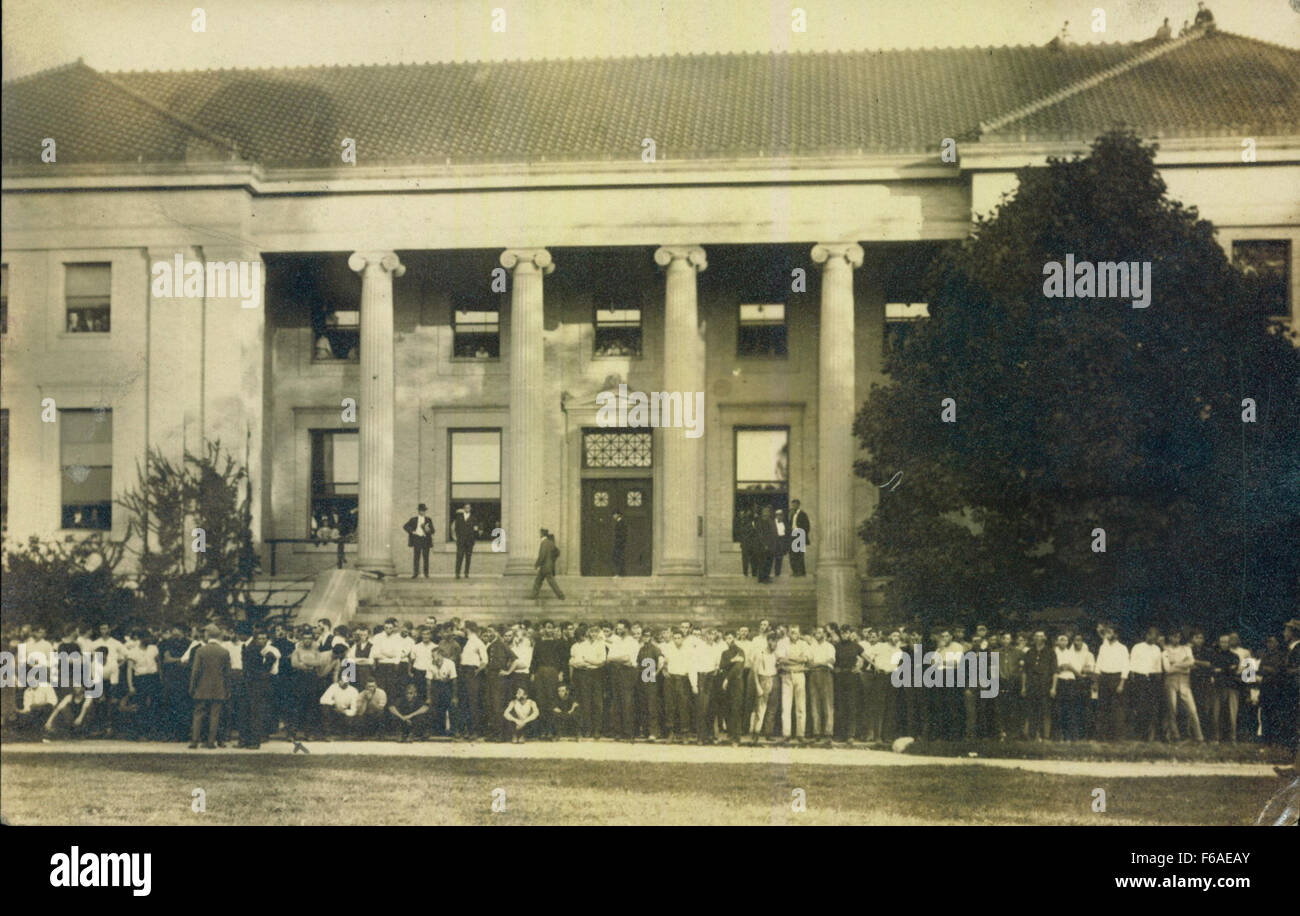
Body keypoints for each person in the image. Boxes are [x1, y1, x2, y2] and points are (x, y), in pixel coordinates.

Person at [189, 625, 230, 749]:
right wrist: (227, 689)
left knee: (198, 714)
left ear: (208, 635)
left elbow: (195, 671)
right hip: (218, 687)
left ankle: (194, 740)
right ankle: (211, 741)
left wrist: (192, 687)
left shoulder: (201, 651)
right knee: (215, 715)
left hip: (202, 687)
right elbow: (227, 673)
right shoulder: (224, 652)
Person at [1128, 628, 1165, 741]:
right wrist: (1134, 681)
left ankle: (1151, 735)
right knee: (1141, 707)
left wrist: (1158, 682)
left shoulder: (1157, 649)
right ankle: (1140, 733)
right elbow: (1132, 665)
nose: (1154, 639)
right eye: (1152, 636)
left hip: (1153, 679)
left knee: (1152, 707)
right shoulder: (1137, 647)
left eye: (1156, 637)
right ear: (1147, 635)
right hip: (1140, 678)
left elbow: (1158, 667)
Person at [1021, 631, 1056, 741]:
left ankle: (1044, 736)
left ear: (1045, 638)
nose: (1039, 638)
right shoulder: (1029, 652)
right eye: (1037, 636)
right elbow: (1025, 672)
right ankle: (1031, 736)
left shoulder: (1050, 652)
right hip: (1032, 685)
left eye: (1041, 636)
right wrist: (1023, 687)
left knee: (1044, 711)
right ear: (1034, 638)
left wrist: (1053, 687)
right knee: (1032, 711)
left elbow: (1055, 672)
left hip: (1045, 685)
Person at [530, 528, 566, 599]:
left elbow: (542, 555)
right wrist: (552, 560)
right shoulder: (550, 543)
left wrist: (537, 564)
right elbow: (557, 552)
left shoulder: (544, 543)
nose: (539, 534)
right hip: (548, 566)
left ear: (542, 534)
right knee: (546, 581)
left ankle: (534, 595)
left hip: (544, 567)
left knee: (539, 581)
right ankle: (560, 595)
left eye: (540, 533)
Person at [402, 503, 435, 578]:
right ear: (418, 511)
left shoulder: (428, 519)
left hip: (425, 539)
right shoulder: (413, 519)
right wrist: (412, 531)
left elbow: (433, 530)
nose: (422, 512)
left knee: (426, 557)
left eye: (423, 510)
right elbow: (405, 526)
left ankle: (426, 573)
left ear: (425, 511)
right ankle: (415, 573)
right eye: (421, 510)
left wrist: (428, 529)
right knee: (416, 557)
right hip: (417, 539)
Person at [788, 499, 810, 577]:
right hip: (793, 535)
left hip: (800, 534)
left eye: (795, 505)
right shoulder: (791, 514)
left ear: (798, 505)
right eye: (792, 505)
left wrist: (801, 534)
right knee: (792, 555)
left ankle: (801, 572)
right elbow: (789, 525)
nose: (793, 506)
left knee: (799, 554)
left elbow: (807, 526)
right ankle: (795, 571)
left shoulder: (803, 514)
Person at [453, 504, 476, 579]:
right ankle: (457, 573)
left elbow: (475, 530)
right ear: (464, 509)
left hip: (469, 541)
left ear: (470, 509)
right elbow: (456, 529)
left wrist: (473, 539)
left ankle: (466, 573)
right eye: (466, 508)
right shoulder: (459, 518)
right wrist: (457, 538)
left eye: (469, 508)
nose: (467, 509)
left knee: (468, 558)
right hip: (461, 541)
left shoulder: (473, 518)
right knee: (459, 557)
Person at [611, 511, 627, 577]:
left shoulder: (621, 523)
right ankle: (619, 573)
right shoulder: (619, 522)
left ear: (618, 515)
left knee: (618, 558)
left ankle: (619, 573)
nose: (613, 516)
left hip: (619, 544)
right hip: (619, 544)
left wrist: (618, 542)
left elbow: (622, 534)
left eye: (614, 515)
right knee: (618, 558)